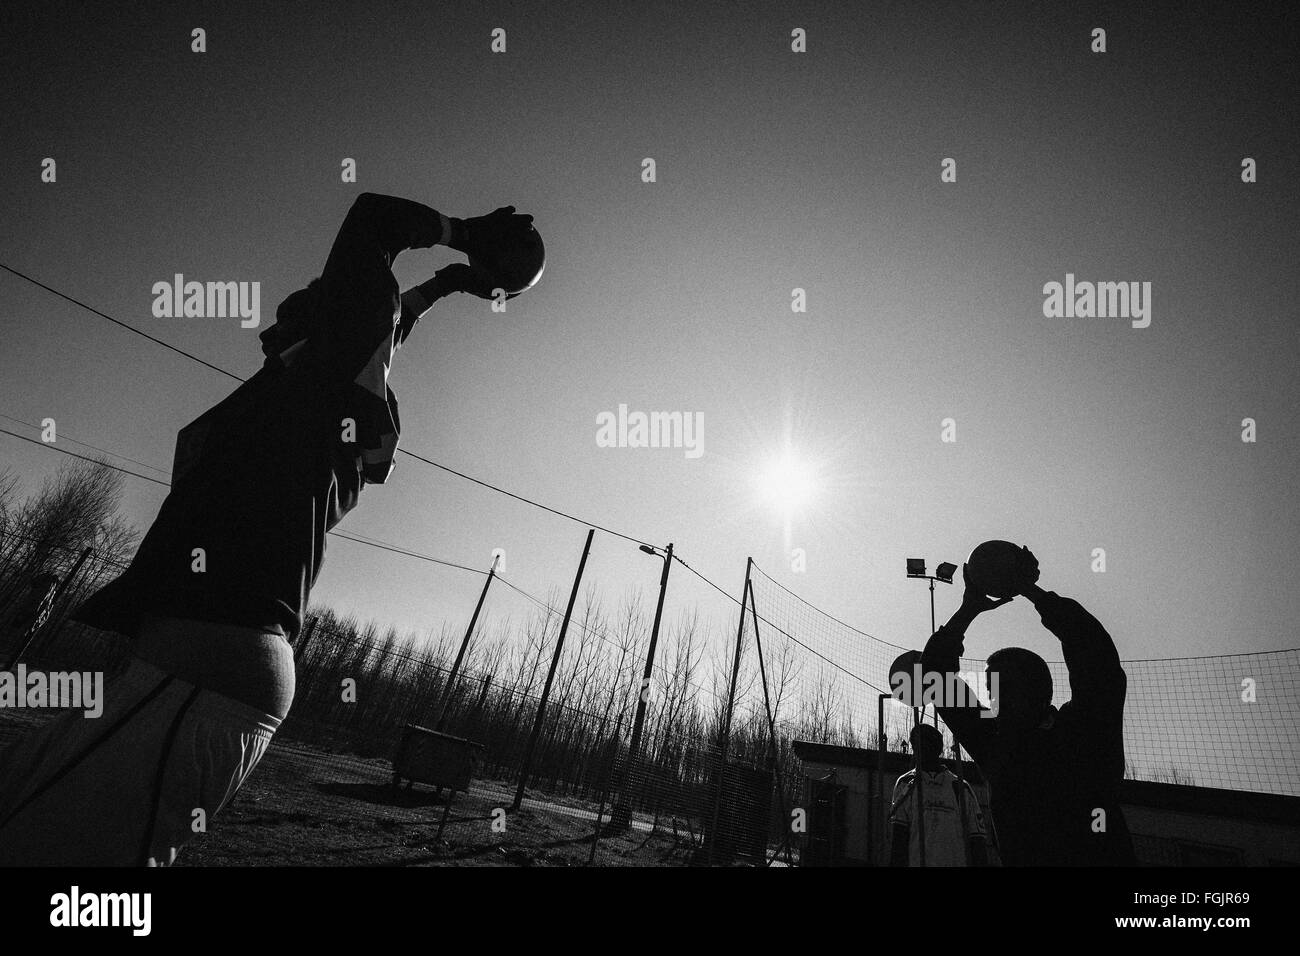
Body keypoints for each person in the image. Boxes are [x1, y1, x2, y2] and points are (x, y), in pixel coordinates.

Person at [0, 192, 535, 865]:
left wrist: (465, 234)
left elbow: (372, 221)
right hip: (198, 678)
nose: (269, 328)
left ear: (331, 322)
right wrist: (450, 284)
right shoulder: (344, 399)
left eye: (293, 312)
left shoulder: (325, 373)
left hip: (200, 679)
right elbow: (388, 330)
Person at [921, 554, 1136, 866]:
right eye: (993, 691)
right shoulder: (993, 742)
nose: (998, 700)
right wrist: (968, 610)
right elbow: (935, 678)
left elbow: (1095, 653)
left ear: (1039, 691)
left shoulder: (1085, 728)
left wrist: (1030, 591)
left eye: (1008, 688)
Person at [889, 723, 989, 866]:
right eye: (918, 746)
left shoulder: (960, 787)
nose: (922, 750)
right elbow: (899, 838)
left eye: (928, 745)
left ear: (938, 749)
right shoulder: (906, 784)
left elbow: (977, 840)